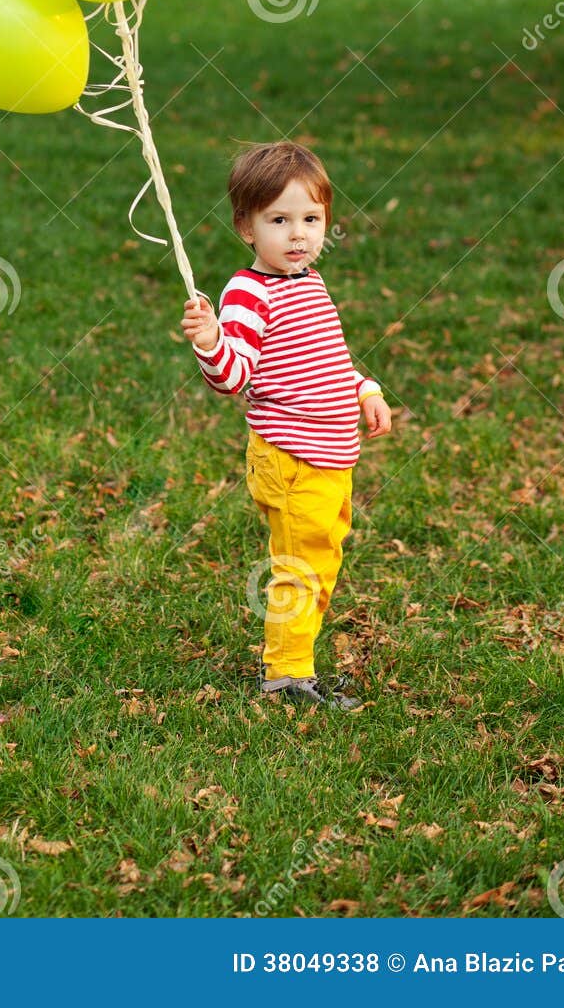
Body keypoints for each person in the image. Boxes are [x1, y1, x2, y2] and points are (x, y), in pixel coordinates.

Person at [181, 140, 392, 710]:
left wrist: (364, 388)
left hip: (329, 456)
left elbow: (327, 359)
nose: (298, 234)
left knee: (323, 559)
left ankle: (295, 662)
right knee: (300, 566)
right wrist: (209, 342)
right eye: (279, 219)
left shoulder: (307, 281)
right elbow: (232, 378)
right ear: (246, 227)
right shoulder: (249, 293)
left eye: (311, 219)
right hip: (291, 457)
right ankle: (287, 675)